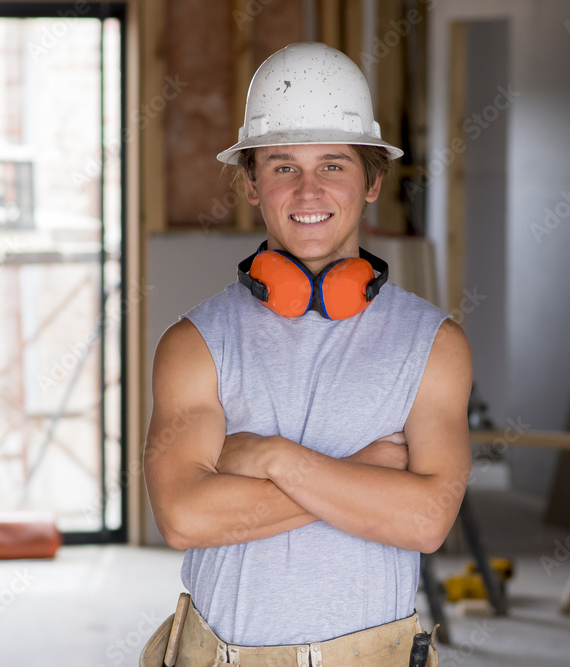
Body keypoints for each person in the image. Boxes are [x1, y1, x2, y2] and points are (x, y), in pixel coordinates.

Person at [141, 42, 471, 667]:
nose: (308, 189)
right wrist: (363, 475)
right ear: (251, 183)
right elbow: (184, 517)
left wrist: (270, 458)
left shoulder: (434, 345)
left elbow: (427, 521)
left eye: (334, 165)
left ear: (373, 180)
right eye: (283, 166)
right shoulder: (194, 344)